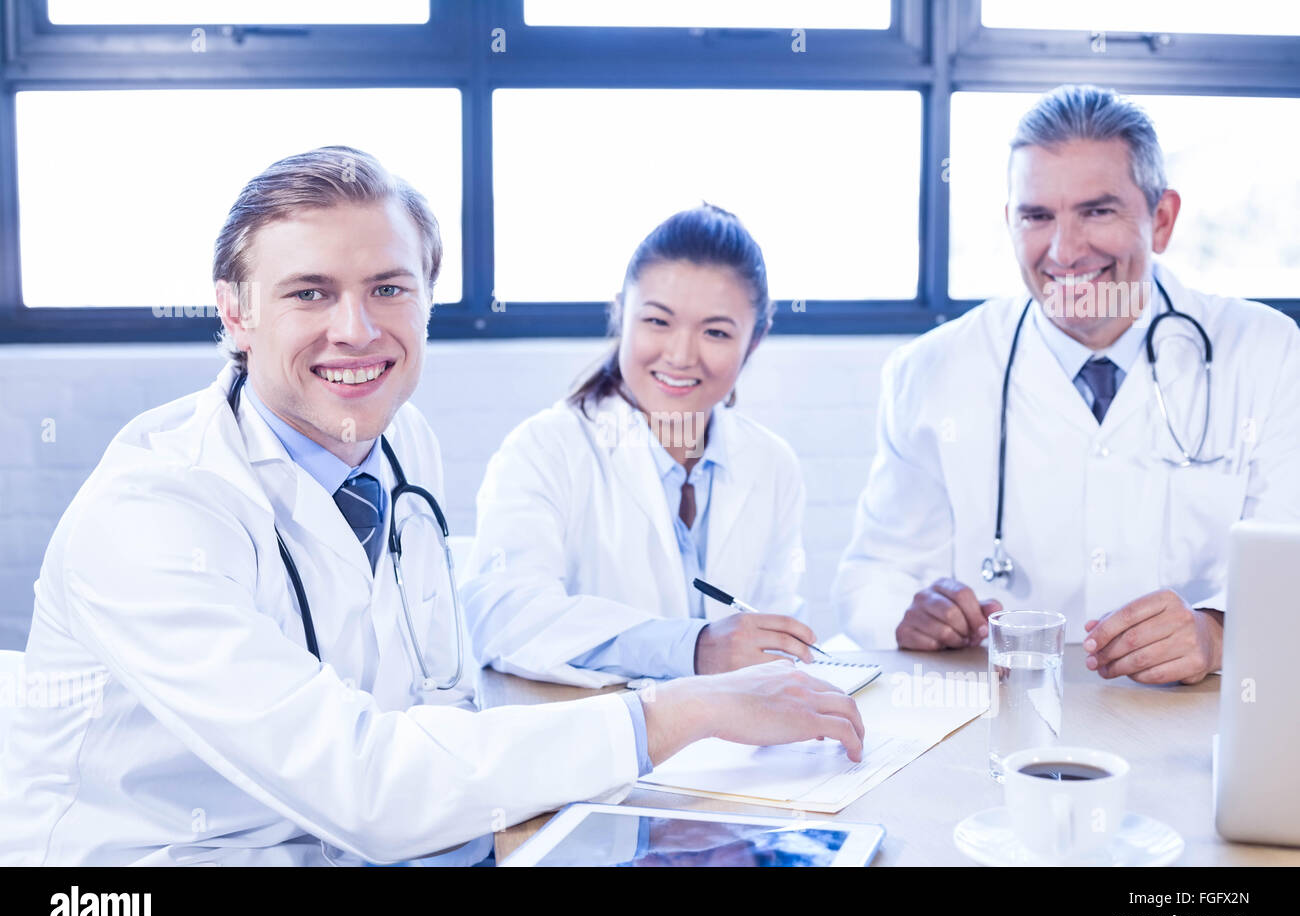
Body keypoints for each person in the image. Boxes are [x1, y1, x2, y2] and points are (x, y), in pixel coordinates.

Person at [0, 148, 864, 866]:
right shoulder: (154, 512)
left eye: (389, 288)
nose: (357, 329)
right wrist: (684, 706)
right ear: (235, 312)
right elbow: (364, 782)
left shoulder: (403, 444)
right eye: (310, 292)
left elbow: (435, 708)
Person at [833, 85, 1300, 685]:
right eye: (1037, 216)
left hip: (1196, 721)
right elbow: (873, 576)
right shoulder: (931, 369)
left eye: (1097, 211)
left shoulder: (1265, 351)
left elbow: (1290, 559)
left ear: (1161, 220)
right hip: (1001, 718)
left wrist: (1217, 630)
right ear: (1010, 222)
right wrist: (910, 615)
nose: (1064, 250)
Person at [462, 204, 816, 688]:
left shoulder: (773, 465)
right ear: (620, 314)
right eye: (657, 321)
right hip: (595, 746)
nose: (680, 354)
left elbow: (774, 636)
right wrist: (693, 649)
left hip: (740, 750)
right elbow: (503, 619)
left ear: (754, 341)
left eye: (715, 332)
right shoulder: (546, 450)